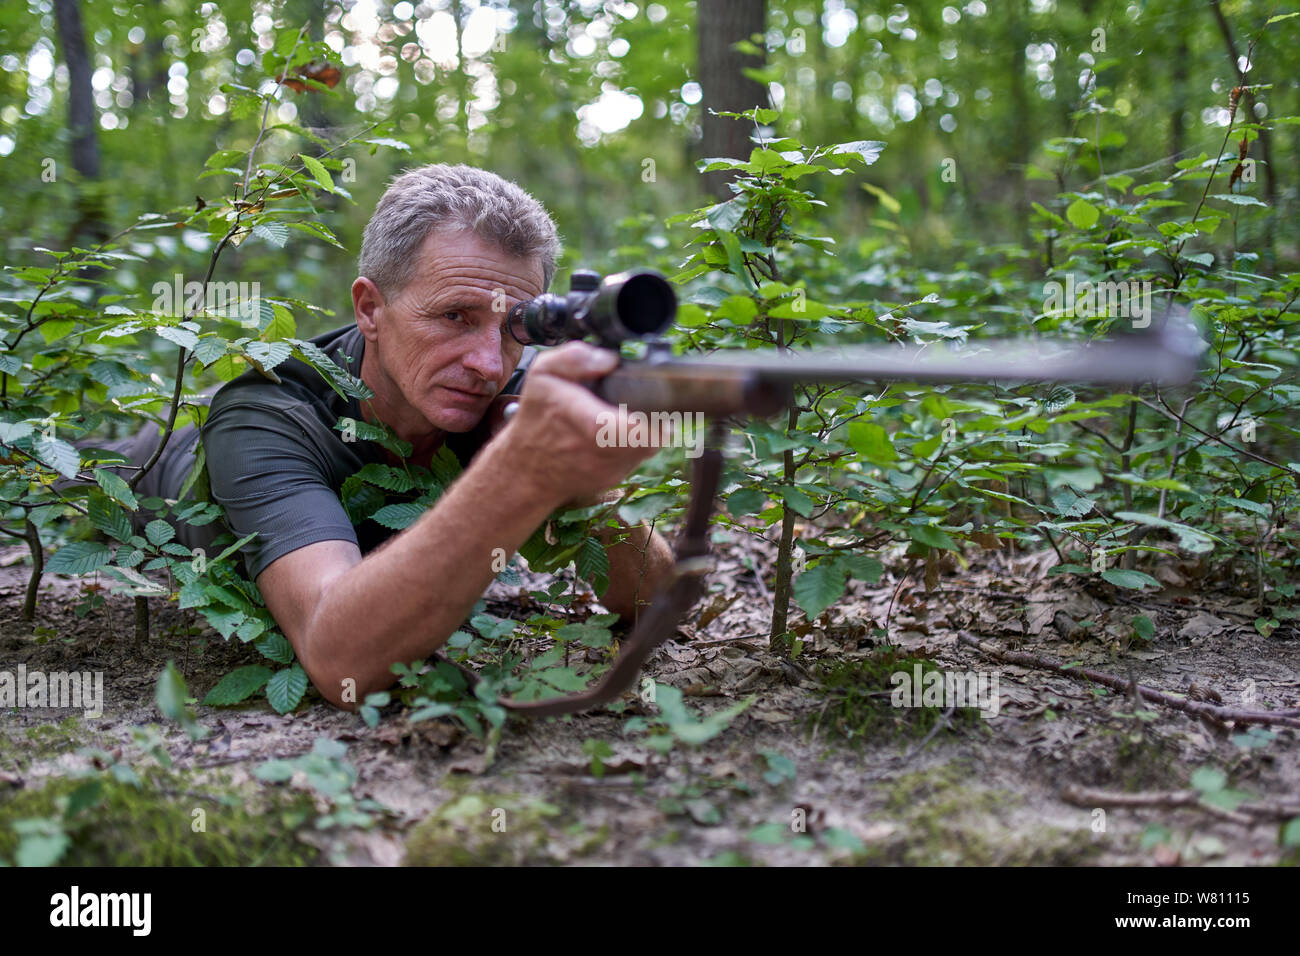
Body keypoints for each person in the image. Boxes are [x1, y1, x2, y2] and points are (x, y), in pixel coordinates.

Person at [88, 164, 675, 709]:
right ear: (370, 308)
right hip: (156, 459)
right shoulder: (268, 416)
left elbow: (660, 605)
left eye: (514, 328)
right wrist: (519, 470)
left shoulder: (512, 396)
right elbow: (342, 665)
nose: (488, 364)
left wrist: (585, 480)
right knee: (98, 465)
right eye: (454, 317)